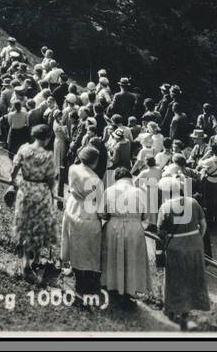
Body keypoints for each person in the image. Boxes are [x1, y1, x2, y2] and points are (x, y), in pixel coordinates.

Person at [156, 174, 211, 327]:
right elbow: (203, 224)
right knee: (193, 277)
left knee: (174, 279)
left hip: (175, 245)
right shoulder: (193, 202)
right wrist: (197, 238)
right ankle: (189, 309)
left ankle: (172, 309)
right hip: (195, 243)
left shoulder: (165, 207)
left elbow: (160, 232)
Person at [11, 124, 58, 282]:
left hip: (25, 190)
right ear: (46, 138)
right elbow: (51, 179)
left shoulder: (23, 149)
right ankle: (35, 259)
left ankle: (26, 260)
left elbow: (13, 171)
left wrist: (16, 183)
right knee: (38, 226)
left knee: (25, 225)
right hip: (40, 192)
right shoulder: (48, 155)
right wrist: (50, 192)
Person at [101, 167, 152, 306]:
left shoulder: (109, 190)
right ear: (130, 178)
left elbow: (102, 213)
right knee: (132, 259)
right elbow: (146, 216)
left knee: (114, 257)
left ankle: (113, 288)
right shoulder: (140, 192)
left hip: (114, 225)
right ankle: (130, 291)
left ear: (116, 179)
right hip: (134, 227)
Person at [62, 145, 105, 299]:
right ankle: (85, 282)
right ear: (94, 161)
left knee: (73, 240)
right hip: (88, 213)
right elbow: (100, 207)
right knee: (89, 247)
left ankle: (75, 271)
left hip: (73, 206)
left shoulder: (73, 168)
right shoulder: (96, 180)